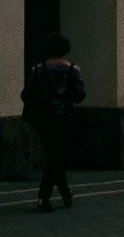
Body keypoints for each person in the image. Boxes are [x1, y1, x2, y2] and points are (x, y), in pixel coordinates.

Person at [22, 30, 87, 211]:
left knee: (54, 155)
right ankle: (44, 198)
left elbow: (27, 94)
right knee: (56, 156)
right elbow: (80, 95)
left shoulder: (38, 69)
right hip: (64, 118)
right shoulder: (73, 69)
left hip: (43, 119)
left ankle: (65, 193)